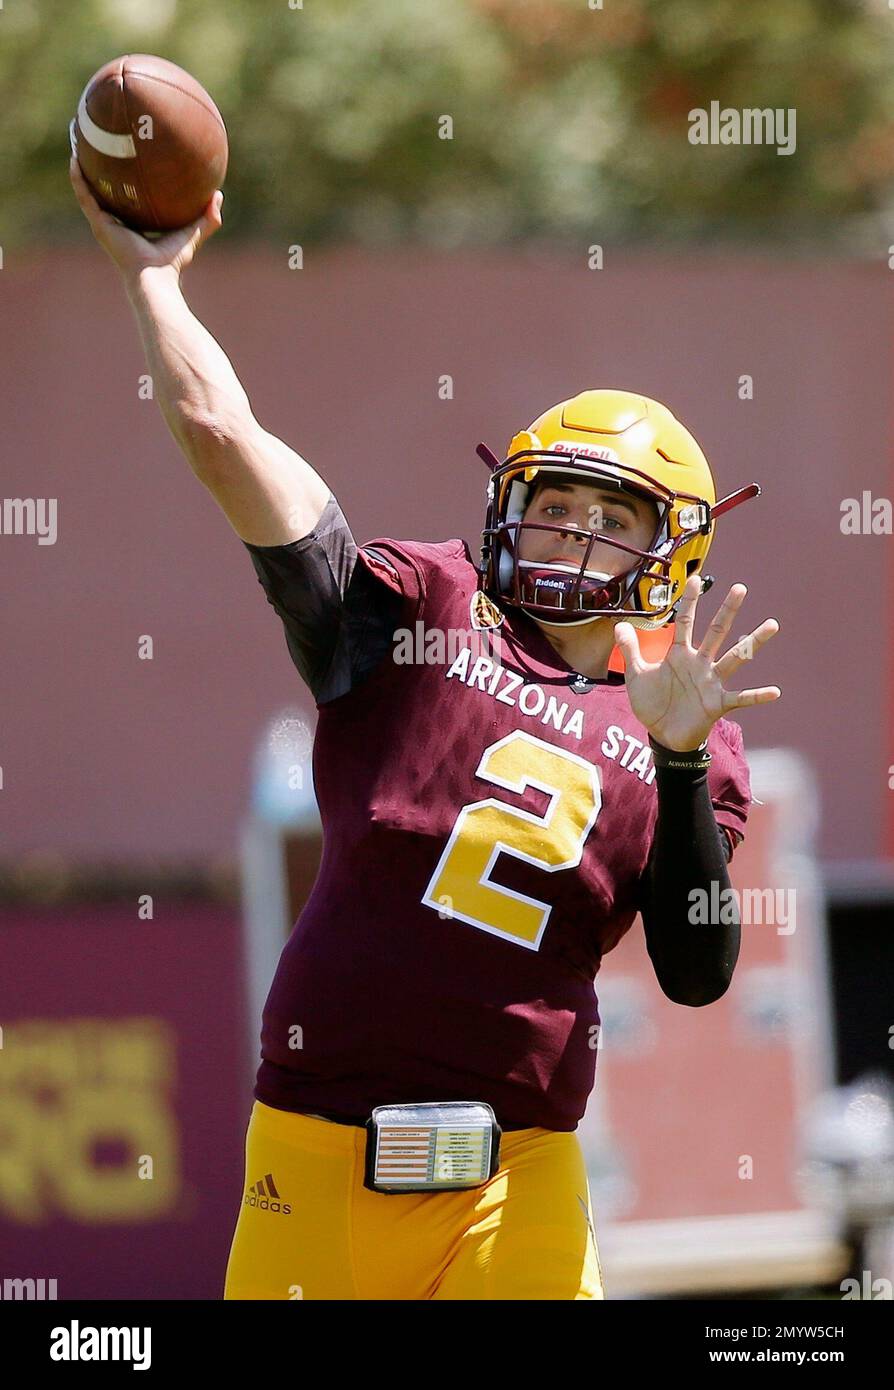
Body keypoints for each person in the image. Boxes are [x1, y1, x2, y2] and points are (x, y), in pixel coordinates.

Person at [70, 159, 781, 1300]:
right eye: (555, 503)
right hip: (314, 1149)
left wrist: (684, 759)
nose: (574, 534)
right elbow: (219, 431)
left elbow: (698, 977)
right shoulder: (414, 610)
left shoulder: (682, 726)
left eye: (613, 517)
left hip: (518, 1178)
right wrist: (156, 282)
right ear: (506, 506)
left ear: (675, 554)